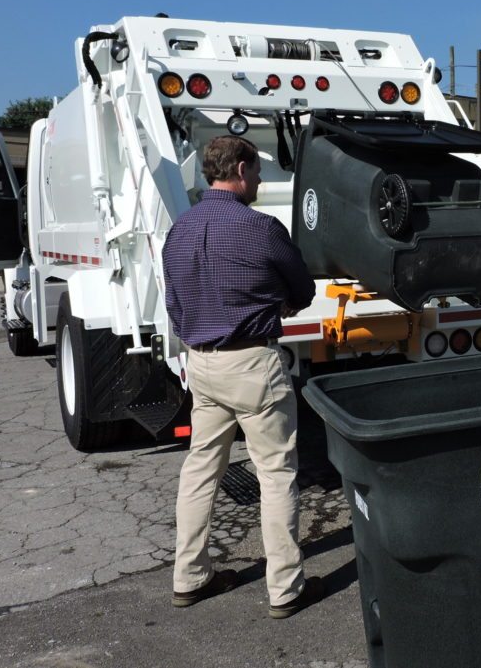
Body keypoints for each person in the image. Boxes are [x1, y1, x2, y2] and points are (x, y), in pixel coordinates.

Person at [162, 135, 324, 617]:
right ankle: (285, 589)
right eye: (255, 171)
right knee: (275, 473)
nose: (257, 181)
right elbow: (303, 288)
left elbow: (174, 304)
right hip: (252, 364)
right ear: (239, 169)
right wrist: (281, 301)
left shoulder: (179, 229)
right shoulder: (260, 228)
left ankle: (189, 577)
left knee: (200, 470)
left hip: (202, 362)